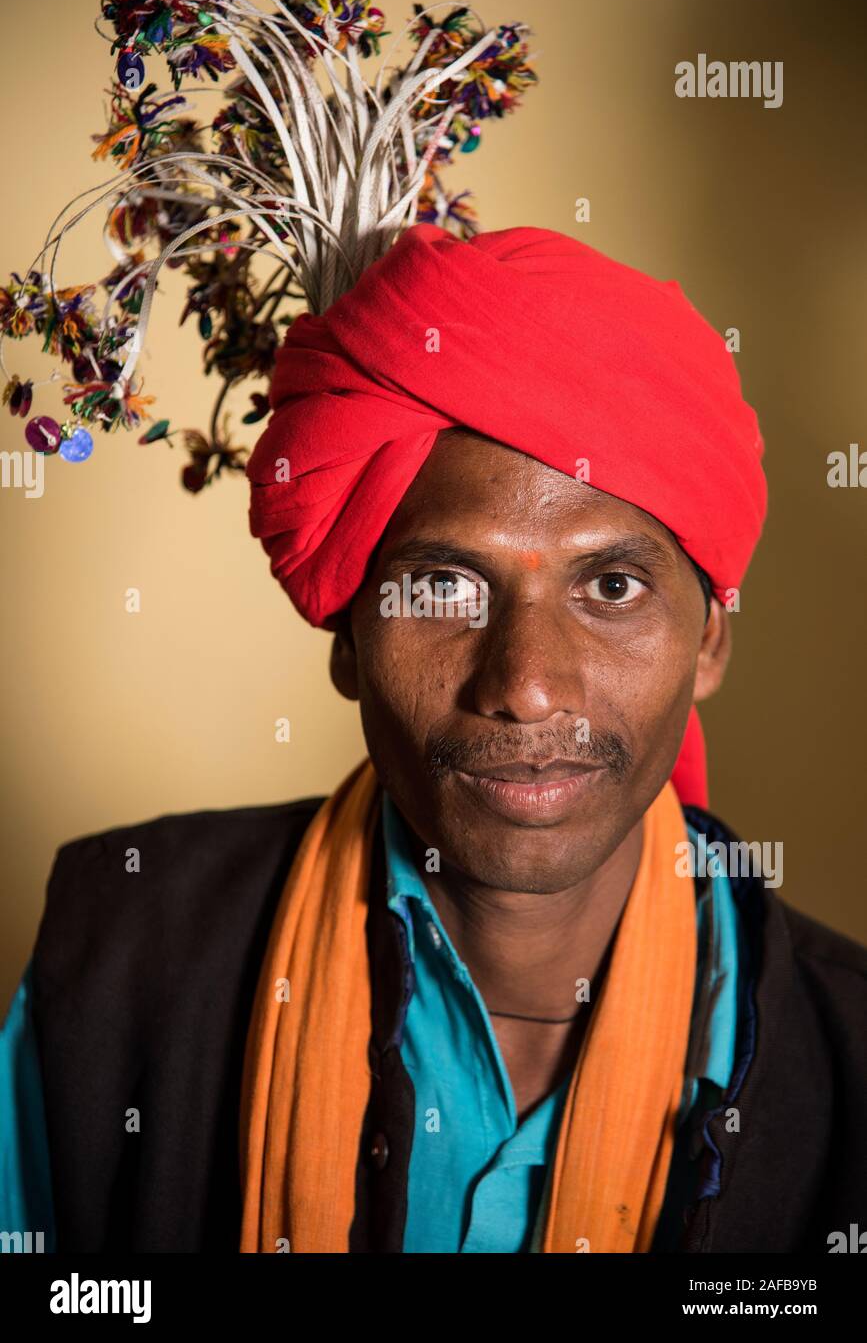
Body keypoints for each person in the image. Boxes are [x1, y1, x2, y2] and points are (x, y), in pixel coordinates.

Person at [2, 221, 866, 1255]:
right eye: (441, 586)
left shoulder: (849, 1058)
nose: (527, 686)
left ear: (710, 641)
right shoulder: (115, 961)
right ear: (348, 641)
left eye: (613, 585)